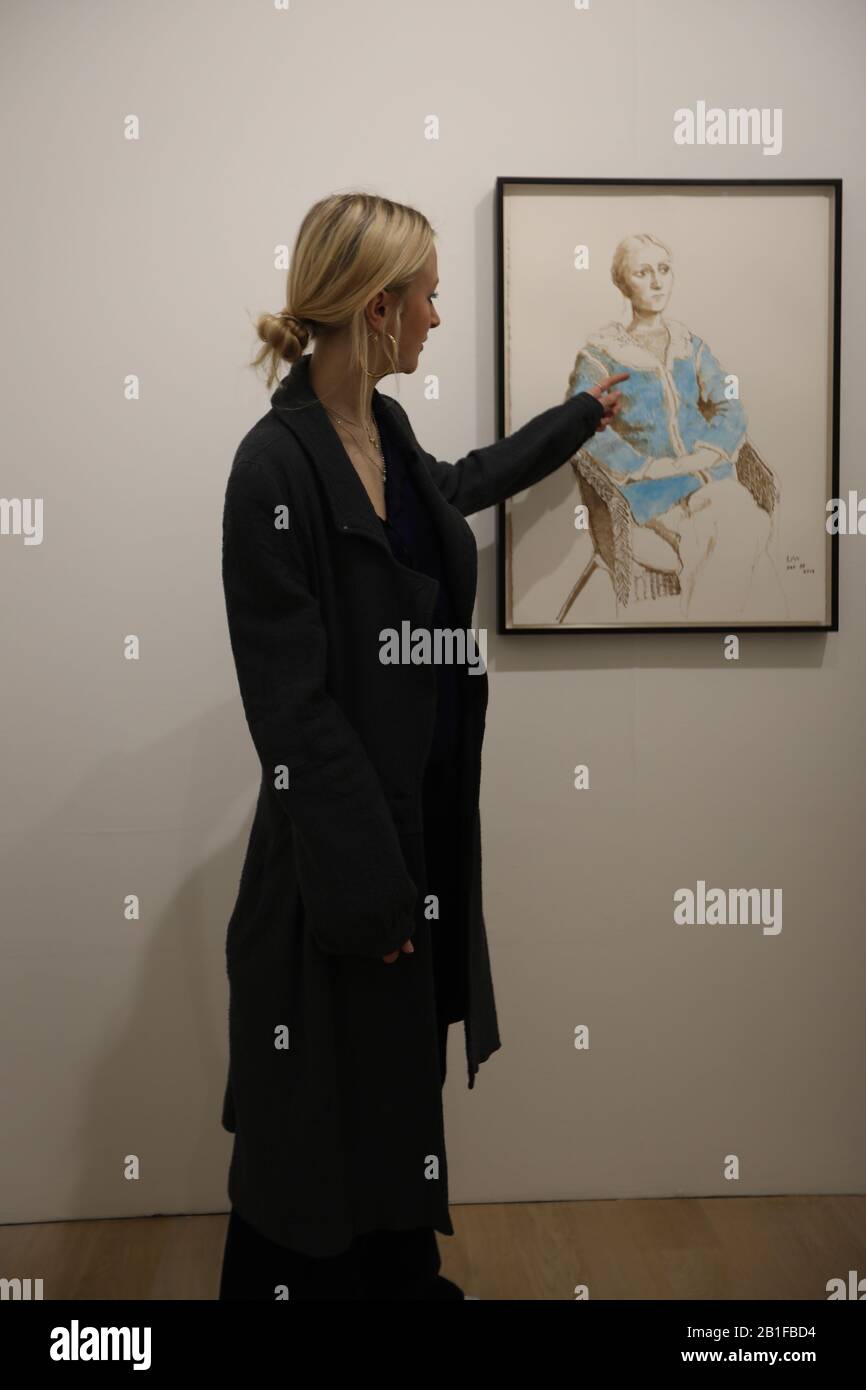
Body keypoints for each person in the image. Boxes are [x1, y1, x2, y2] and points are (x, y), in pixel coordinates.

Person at [218, 191, 624, 1300]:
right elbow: (292, 712)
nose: (440, 318)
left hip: (408, 849)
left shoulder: (382, 437)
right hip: (334, 878)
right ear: (378, 306)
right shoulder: (274, 470)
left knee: (392, 1113)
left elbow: (463, 487)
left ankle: (401, 1275)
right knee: (304, 1155)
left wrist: (578, 417)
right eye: (430, 294)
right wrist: (374, 896)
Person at [566, 232, 785, 619]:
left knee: (738, 518)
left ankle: (708, 624)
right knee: (739, 529)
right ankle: (719, 629)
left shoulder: (690, 346)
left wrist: (708, 453)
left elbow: (729, 404)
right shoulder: (601, 356)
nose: (656, 282)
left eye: (664, 270)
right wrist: (648, 467)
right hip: (651, 493)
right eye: (643, 272)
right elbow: (581, 425)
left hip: (710, 479)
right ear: (622, 283)